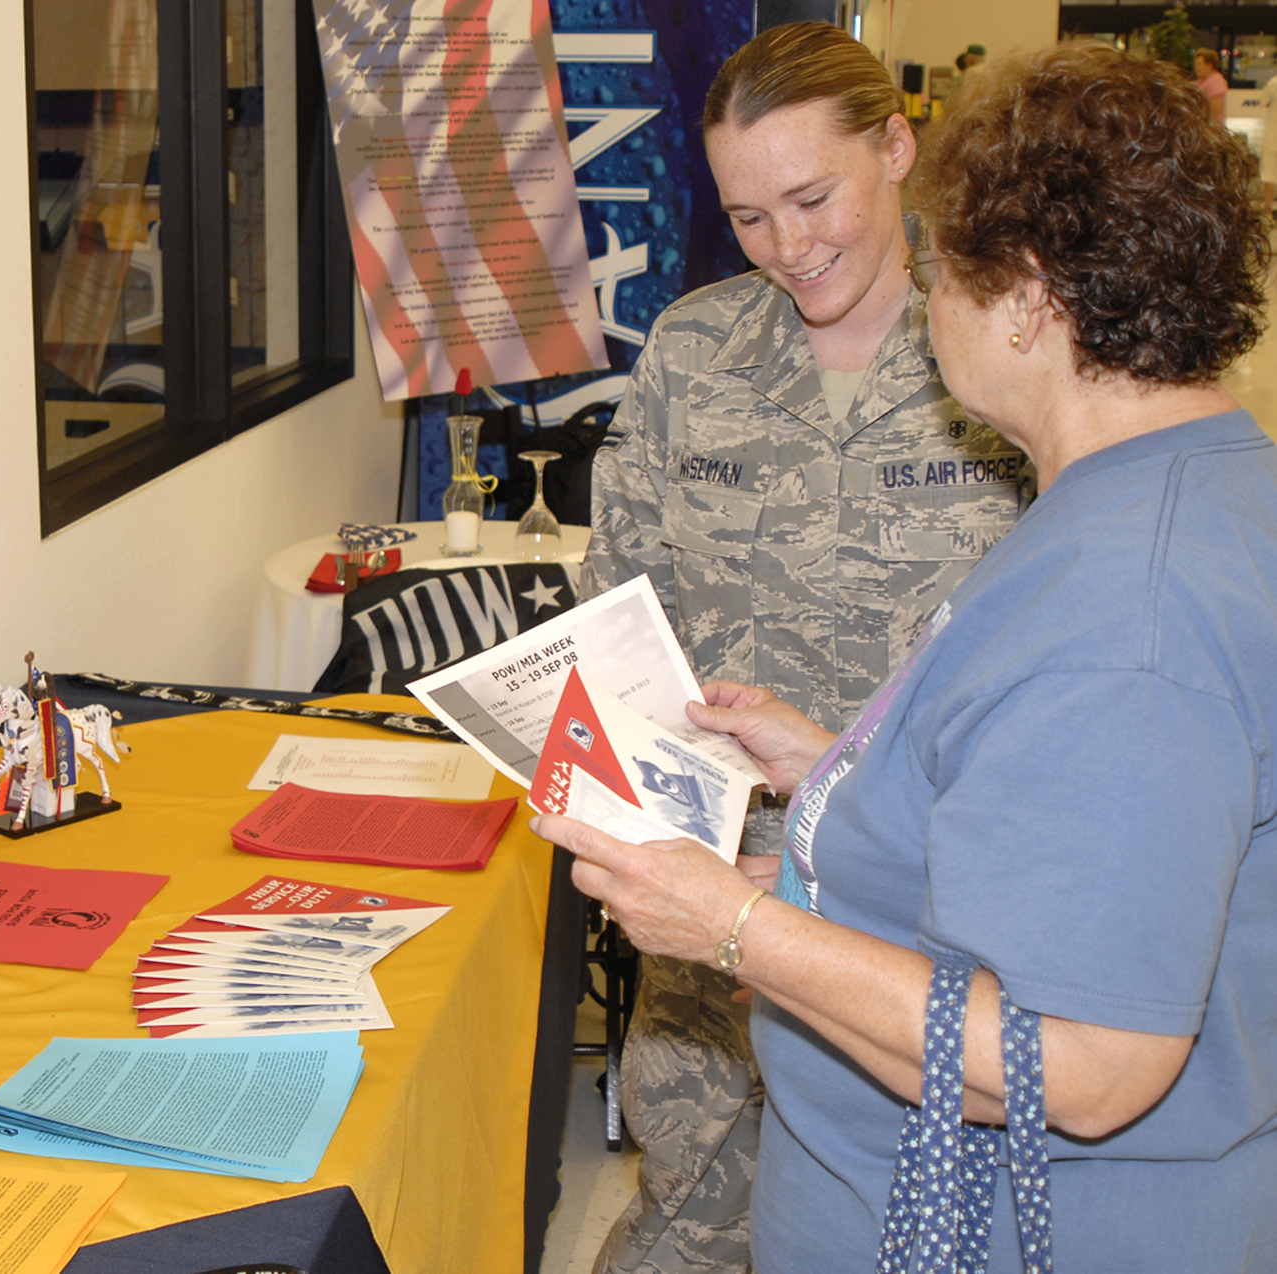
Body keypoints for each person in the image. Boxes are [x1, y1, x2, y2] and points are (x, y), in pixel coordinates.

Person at [547, 42, 1277, 1272]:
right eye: (750, 215)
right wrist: (836, 774)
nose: (934, 306)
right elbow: (1040, 787)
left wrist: (735, 923)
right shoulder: (1170, 501)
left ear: (1026, 297)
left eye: (955, 272)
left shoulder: (1133, 605)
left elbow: (1082, 1063)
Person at [577, 23, 1026, 1274]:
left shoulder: (1005, 345)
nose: (788, 244)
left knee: (905, 1225)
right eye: (748, 216)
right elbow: (621, 605)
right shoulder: (694, 351)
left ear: (897, 148)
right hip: (712, 876)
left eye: (813, 198)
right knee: (690, 1212)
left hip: (922, 905)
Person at [1195, 50, 1229, 125]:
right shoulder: (1202, 81)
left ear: (1209, 65)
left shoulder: (1216, 81)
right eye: (1196, 65)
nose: (1196, 68)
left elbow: (1216, 108)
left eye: (1199, 64)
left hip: (1211, 126)